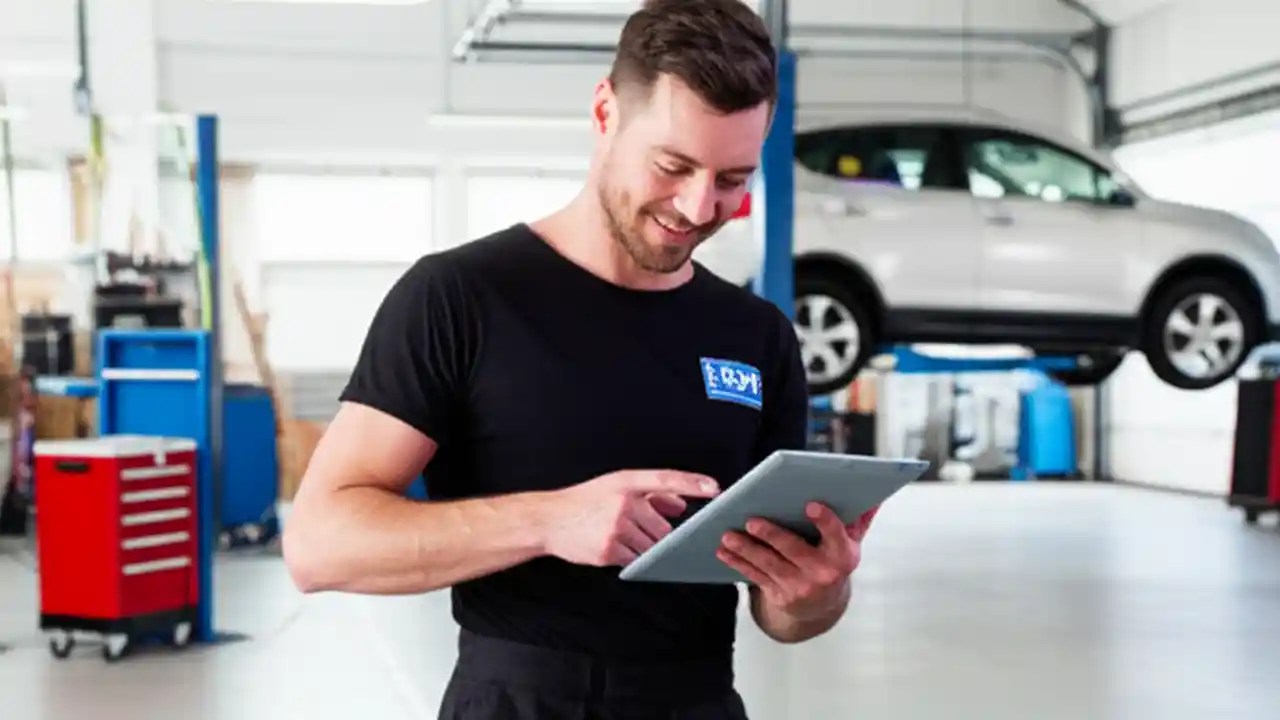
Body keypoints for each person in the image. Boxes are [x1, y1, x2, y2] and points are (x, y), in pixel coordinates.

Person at [282, 0, 878, 717]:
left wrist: (820, 591)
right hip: (516, 701)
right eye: (672, 165)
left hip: (695, 700)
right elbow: (319, 544)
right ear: (604, 113)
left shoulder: (757, 337)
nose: (696, 206)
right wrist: (546, 521)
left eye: (731, 179)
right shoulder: (460, 297)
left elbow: (780, 616)